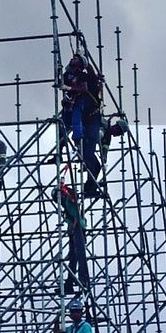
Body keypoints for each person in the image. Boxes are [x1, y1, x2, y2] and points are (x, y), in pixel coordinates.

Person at [61, 50, 104, 196]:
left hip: (91, 121)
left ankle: (90, 187)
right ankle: (90, 187)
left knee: (91, 158)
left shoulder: (87, 80)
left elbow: (88, 73)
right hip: (85, 119)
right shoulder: (74, 76)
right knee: (89, 157)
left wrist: (83, 58)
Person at [57, 182, 89, 296]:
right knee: (73, 257)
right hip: (73, 229)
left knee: (79, 255)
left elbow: (74, 197)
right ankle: (69, 284)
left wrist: (64, 189)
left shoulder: (69, 200)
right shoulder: (66, 203)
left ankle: (83, 280)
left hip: (78, 229)